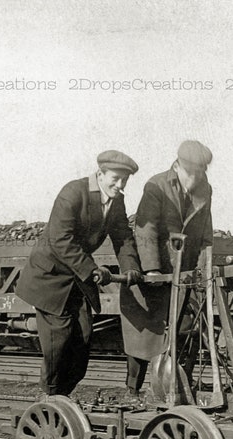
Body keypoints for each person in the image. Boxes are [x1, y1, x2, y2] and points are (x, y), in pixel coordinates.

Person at [16, 151, 142, 398]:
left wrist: (131, 268)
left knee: (83, 340)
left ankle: (62, 395)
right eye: (115, 178)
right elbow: (60, 240)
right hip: (51, 278)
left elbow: (122, 236)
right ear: (100, 174)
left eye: (125, 180)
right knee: (58, 343)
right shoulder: (73, 193)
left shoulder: (116, 201)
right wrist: (91, 269)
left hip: (77, 278)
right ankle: (50, 397)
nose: (120, 185)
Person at [119, 140, 214, 400]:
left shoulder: (205, 190)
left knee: (185, 329)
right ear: (178, 166)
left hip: (184, 273)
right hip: (154, 272)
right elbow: (146, 229)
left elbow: (205, 234)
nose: (194, 179)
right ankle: (132, 390)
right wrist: (151, 269)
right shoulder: (157, 185)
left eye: (200, 173)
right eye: (190, 173)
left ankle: (179, 385)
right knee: (145, 333)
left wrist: (204, 269)